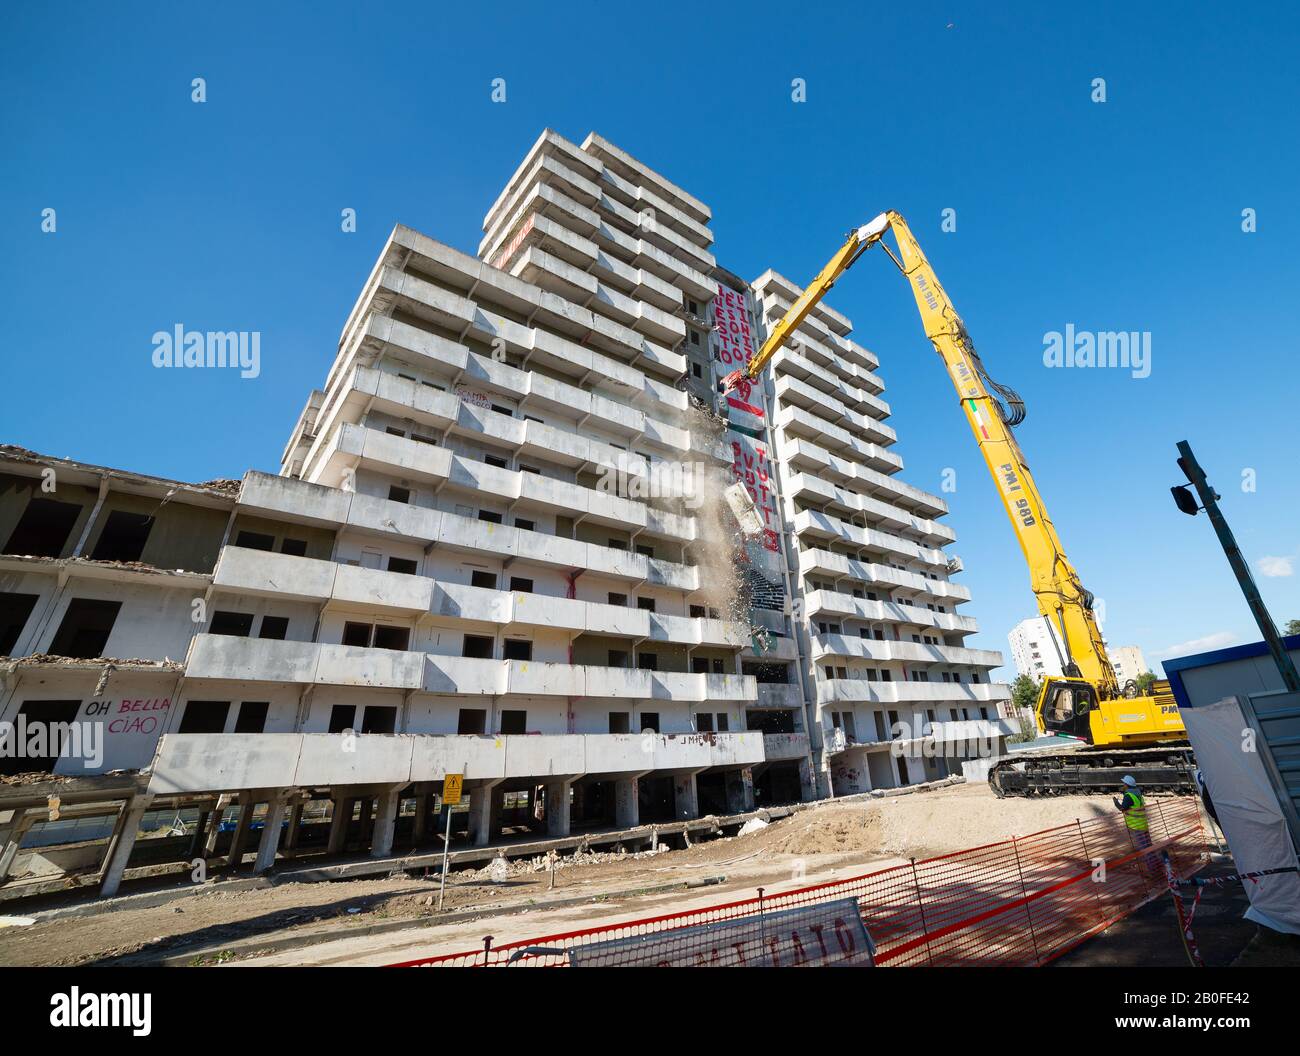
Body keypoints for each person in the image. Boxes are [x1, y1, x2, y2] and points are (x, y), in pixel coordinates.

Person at [1114, 774, 1156, 875]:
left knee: (1144, 848)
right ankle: (1155, 865)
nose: (1122, 785)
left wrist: (1116, 802)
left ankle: (1152, 870)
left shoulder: (1129, 796)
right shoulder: (1137, 793)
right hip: (1143, 825)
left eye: (1124, 784)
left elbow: (1122, 808)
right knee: (1149, 846)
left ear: (1127, 785)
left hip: (1136, 826)